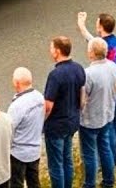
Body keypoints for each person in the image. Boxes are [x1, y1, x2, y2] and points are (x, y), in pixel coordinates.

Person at [75, 12, 116, 168]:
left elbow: (93, 44)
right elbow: (91, 41)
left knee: (110, 126)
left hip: (111, 91)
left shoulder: (107, 48)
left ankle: (110, 161)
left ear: (101, 27)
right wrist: (81, 26)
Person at [42, 37, 85, 188]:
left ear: (58, 51)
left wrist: (42, 123)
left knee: (56, 164)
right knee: (67, 159)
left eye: (52, 48)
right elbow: (82, 97)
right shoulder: (79, 68)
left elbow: (48, 106)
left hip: (56, 125)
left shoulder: (55, 75)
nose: (50, 50)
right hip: (72, 121)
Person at [79, 38, 116, 188]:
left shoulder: (88, 73)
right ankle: (109, 180)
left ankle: (89, 184)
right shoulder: (113, 66)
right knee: (105, 147)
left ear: (91, 53)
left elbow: (83, 99)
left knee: (89, 154)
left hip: (91, 119)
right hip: (107, 114)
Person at [6, 67, 44, 188]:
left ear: (16, 83)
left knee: (16, 184)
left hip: (18, 153)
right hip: (35, 150)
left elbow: (8, 129)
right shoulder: (39, 97)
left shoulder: (17, 105)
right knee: (34, 182)